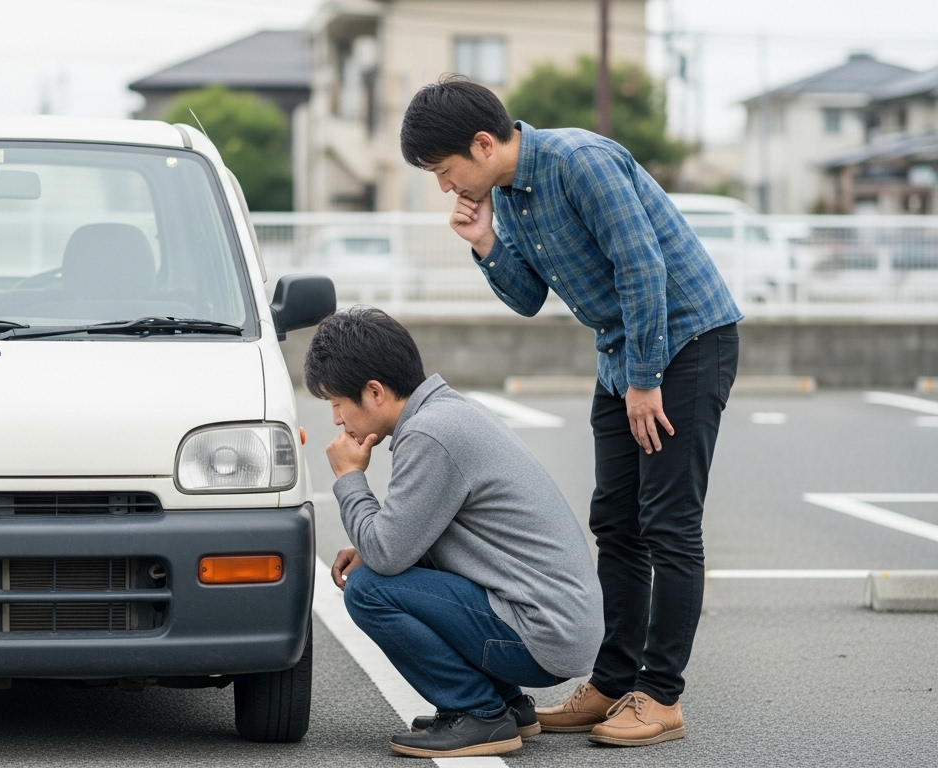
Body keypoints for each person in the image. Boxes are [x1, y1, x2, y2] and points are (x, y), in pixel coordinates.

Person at [397, 75, 742, 747]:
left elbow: (641, 266)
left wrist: (646, 378)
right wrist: (484, 244)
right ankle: (613, 683)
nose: (445, 186)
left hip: (688, 339)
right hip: (627, 350)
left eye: (445, 171)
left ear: (482, 142)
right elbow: (528, 297)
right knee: (616, 521)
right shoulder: (507, 197)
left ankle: (661, 696)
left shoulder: (580, 160)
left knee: (668, 523)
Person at [308, 306, 603, 759]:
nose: (336, 420)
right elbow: (413, 536)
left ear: (374, 392)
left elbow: (387, 556)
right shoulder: (448, 412)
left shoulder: (431, 433)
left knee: (368, 590)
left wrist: (349, 478)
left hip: (542, 634)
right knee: (379, 571)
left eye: (335, 404)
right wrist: (372, 543)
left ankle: (480, 714)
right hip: (556, 624)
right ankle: (508, 705)